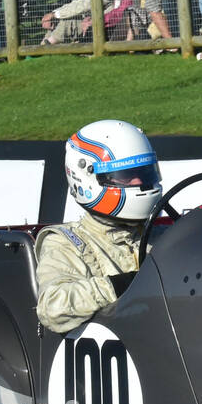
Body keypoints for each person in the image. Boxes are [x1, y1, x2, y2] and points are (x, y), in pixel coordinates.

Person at [35, 121, 163, 334]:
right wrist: (122, 285)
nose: (140, 181)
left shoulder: (165, 235)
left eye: (145, 172)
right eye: (127, 175)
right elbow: (52, 308)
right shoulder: (65, 243)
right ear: (87, 179)